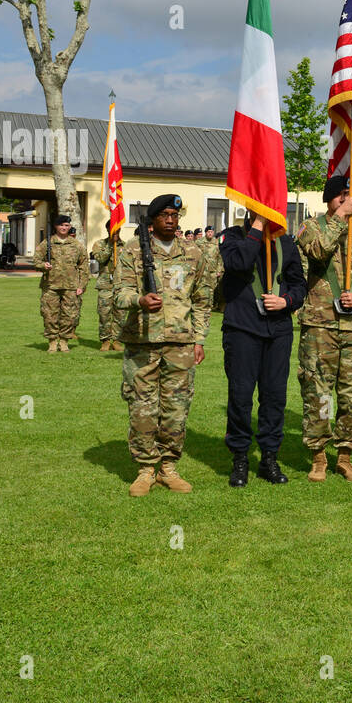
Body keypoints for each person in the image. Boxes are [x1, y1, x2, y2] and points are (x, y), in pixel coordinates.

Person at [113, 193, 214, 496]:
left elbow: (202, 299)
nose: (171, 221)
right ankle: (145, 470)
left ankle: (168, 468)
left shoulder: (194, 253)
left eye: (175, 215)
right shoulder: (133, 251)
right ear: (153, 220)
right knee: (143, 409)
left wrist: (198, 338)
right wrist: (139, 299)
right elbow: (120, 293)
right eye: (164, 215)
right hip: (143, 342)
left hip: (180, 342)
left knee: (176, 409)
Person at [294, 174, 352, 482]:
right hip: (320, 325)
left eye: (349, 195)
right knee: (318, 393)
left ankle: (345, 456)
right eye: (340, 195)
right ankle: (318, 456)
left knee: (351, 394)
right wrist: (339, 219)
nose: (347, 200)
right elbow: (317, 252)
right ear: (329, 199)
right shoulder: (311, 227)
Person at [219, 213, 306, 486]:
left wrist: (286, 301)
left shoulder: (286, 242)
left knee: (274, 398)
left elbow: (299, 284)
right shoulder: (232, 236)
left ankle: (269, 456)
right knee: (241, 397)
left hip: (278, 331)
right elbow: (240, 262)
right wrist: (257, 225)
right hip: (243, 328)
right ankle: (240, 458)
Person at [34, 214, 87, 353]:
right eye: (61, 225)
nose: (64, 228)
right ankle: (52, 341)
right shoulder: (47, 243)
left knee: (69, 316)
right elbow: (36, 260)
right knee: (49, 314)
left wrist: (82, 285)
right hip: (51, 285)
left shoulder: (76, 245)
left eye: (66, 225)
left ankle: (64, 341)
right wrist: (43, 265)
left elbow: (83, 266)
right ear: (56, 226)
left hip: (71, 286)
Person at [91, 230, 124, 351]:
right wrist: (111, 244)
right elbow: (100, 259)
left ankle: (117, 340)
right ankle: (105, 340)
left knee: (120, 314)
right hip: (105, 285)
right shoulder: (99, 244)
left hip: (120, 285)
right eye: (112, 230)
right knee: (104, 314)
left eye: (117, 230)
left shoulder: (125, 246)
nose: (115, 232)